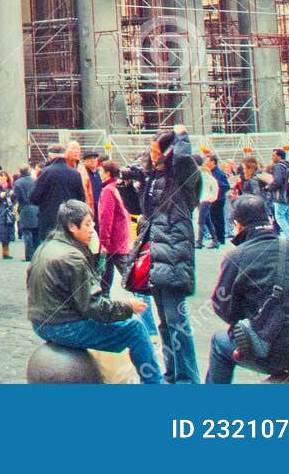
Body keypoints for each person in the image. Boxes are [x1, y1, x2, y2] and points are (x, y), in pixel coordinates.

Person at [27, 199, 161, 384]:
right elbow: (92, 306)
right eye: (88, 225)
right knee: (135, 328)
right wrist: (128, 307)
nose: (92, 230)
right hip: (63, 326)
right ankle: (155, 384)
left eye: (93, 225)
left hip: (40, 322)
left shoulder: (45, 247)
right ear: (72, 227)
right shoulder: (72, 257)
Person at [205, 195, 289, 383]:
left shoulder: (237, 256)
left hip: (274, 352)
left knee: (219, 342)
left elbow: (224, 309)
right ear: (269, 219)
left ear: (237, 224)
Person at [142, 125, 201, 384]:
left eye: (157, 152)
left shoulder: (183, 181)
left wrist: (182, 136)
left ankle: (188, 378)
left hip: (175, 255)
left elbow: (185, 160)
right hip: (157, 255)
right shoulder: (154, 178)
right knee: (165, 321)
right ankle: (172, 372)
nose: (153, 157)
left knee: (177, 321)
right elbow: (142, 209)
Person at [30, 144, 86, 241]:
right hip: (69, 220)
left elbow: (34, 197)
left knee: (48, 249)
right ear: (64, 155)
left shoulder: (45, 172)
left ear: (50, 156)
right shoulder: (75, 174)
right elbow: (81, 199)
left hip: (48, 220)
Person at [96, 160, 132, 295]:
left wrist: (104, 240)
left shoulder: (107, 190)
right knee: (107, 270)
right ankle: (104, 297)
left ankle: (142, 300)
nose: (99, 173)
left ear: (107, 173)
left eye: (101, 171)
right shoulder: (119, 187)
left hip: (113, 238)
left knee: (127, 273)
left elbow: (106, 217)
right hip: (122, 234)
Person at [268, 148, 289, 238]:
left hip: (281, 195)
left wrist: (269, 187)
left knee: (279, 216)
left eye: (274, 155)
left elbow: (278, 181)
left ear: (279, 156)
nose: (272, 157)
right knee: (288, 216)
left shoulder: (278, 166)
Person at [12, 166, 39, 258]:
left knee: (27, 233)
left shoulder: (18, 182)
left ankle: (29, 255)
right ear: (29, 171)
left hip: (24, 208)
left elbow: (15, 196)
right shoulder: (35, 180)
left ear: (20, 172)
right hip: (36, 208)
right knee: (36, 233)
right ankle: (37, 255)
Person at [196, 155, 221, 249]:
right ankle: (215, 240)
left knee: (201, 221)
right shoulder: (207, 176)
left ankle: (200, 241)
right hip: (205, 200)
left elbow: (215, 188)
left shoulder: (203, 175)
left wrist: (213, 197)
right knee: (207, 221)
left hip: (204, 200)